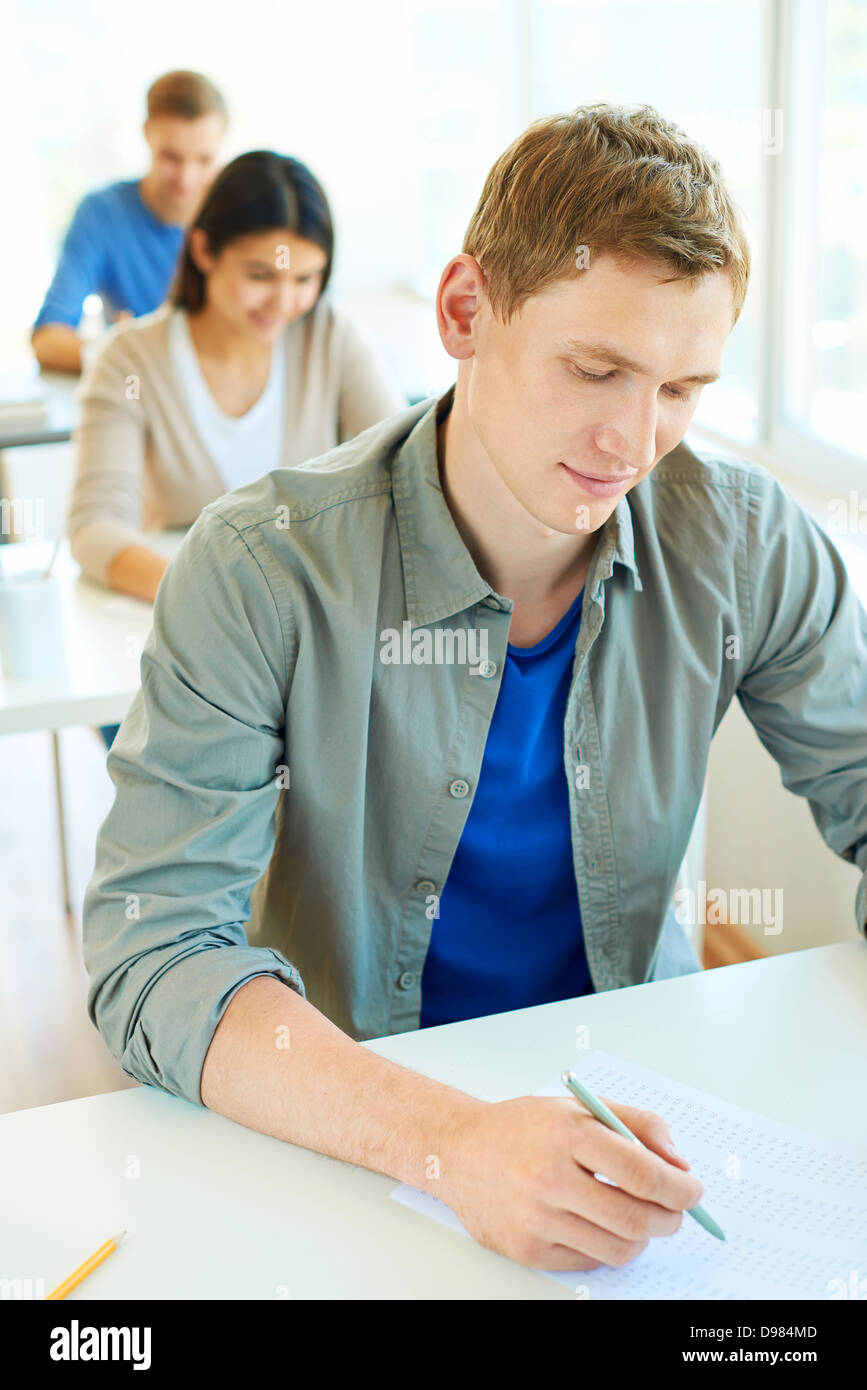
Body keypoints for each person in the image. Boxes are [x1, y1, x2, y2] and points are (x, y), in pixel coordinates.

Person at [82, 104, 867, 1275]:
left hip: (639, 1128)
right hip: (347, 1131)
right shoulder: (260, 567)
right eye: (596, 368)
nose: (634, 439)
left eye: (682, 389)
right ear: (466, 312)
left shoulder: (745, 539)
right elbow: (152, 954)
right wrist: (450, 1142)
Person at [67, 149, 405, 747]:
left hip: (315, 637)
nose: (284, 302)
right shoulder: (129, 358)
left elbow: (408, 477)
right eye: (260, 276)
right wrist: (222, 593)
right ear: (203, 251)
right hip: (193, 632)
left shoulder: (330, 336)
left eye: (305, 279)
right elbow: (95, 526)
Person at [31, 70, 228, 374]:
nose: (186, 179)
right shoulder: (101, 215)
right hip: (139, 397)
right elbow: (48, 340)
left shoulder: (239, 218)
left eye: (203, 160)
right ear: (147, 133)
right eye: (171, 158)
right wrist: (133, 356)